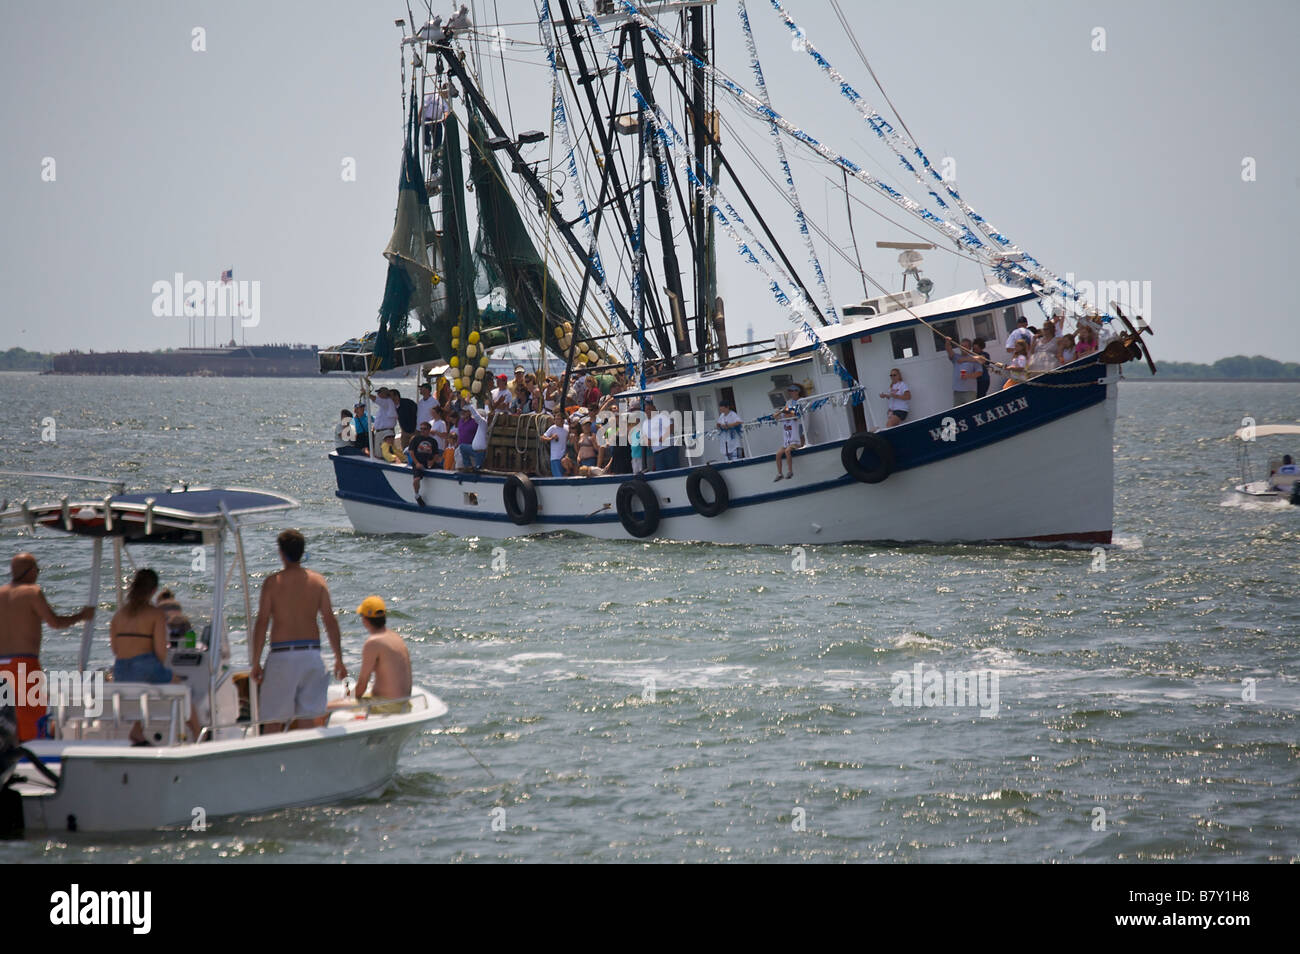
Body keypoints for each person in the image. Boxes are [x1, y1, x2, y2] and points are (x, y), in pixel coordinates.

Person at [251, 530, 348, 733]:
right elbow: (330, 621)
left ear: (281, 553)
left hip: (282, 656)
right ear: (302, 552)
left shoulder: (272, 583)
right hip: (312, 655)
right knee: (306, 721)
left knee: (273, 722)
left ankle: (273, 763)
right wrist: (339, 659)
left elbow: (262, 623)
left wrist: (256, 662)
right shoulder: (318, 581)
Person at [0, 552, 94, 741]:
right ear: (31, 571)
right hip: (23, 664)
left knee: (6, 713)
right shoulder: (32, 592)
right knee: (31, 712)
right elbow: (55, 622)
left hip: (1, 663)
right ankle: (32, 750)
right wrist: (82, 616)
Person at [110, 569, 201, 744]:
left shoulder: (118, 615)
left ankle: (137, 730)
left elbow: (115, 649)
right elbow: (161, 651)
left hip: (121, 670)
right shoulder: (155, 614)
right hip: (145, 667)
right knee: (182, 691)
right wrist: (167, 672)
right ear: (153, 591)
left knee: (143, 689)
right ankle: (199, 735)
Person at [352, 597, 412, 715]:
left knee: (329, 707)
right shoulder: (395, 637)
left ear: (365, 620)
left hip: (388, 706)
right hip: (405, 704)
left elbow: (362, 684)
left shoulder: (373, 642)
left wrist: (350, 699)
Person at [774, 385, 803, 481]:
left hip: (795, 441)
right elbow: (776, 416)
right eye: (790, 391)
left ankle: (790, 471)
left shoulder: (793, 418)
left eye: (793, 391)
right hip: (787, 442)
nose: (791, 392)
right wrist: (779, 412)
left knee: (787, 451)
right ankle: (779, 473)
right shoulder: (784, 418)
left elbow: (794, 413)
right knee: (778, 454)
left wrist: (784, 411)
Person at [406, 422, 439, 506]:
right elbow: (411, 452)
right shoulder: (416, 439)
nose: (422, 431)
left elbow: (436, 454)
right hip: (418, 462)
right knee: (416, 479)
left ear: (429, 430)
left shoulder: (433, 441)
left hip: (429, 462)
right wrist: (416, 463)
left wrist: (432, 461)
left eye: (425, 429)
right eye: (421, 429)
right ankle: (417, 495)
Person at [944, 337, 981, 407]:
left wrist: (968, 376)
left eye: (966, 346)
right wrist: (947, 342)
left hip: (969, 391)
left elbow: (979, 373)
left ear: (970, 347)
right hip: (957, 392)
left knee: (970, 411)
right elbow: (949, 350)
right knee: (957, 413)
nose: (963, 348)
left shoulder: (974, 358)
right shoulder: (956, 357)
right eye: (962, 346)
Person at [645, 399, 678, 471]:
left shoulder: (662, 416)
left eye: (649, 409)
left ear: (654, 408)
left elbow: (671, 427)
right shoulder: (645, 423)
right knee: (661, 472)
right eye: (646, 410)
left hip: (669, 449)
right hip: (656, 452)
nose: (647, 411)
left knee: (673, 470)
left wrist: (664, 437)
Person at [540, 410, 569, 477]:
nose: (556, 421)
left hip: (564, 457)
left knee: (566, 475)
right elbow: (542, 438)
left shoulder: (567, 428)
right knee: (558, 477)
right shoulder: (553, 428)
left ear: (563, 420)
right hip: (555, 457)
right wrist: (551, 438)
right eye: (555, 419)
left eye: (558, 419)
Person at [468, 401, 491, 470]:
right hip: (477, 451)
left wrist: (470, 405)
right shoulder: (481, 424)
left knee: (478, 470)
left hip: (480, 452)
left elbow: (476, 415)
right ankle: (468, 466)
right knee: (462, 447)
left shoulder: (483, 422)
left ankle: (471, 468)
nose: (474, 419)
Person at [456, 402, 478, 469]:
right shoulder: (460, 421)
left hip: (470, 448)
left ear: (470, 412)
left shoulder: (475, 422)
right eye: (462, 411)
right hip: (460, 448)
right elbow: (459, 434)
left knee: (470, 467)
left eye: (465, 412)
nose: (463, 413)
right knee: (459, 467)